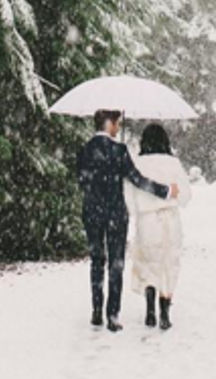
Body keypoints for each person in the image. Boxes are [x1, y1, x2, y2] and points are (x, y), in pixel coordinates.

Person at [76, 110, 180, 332]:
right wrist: (165, 191)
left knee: (97, 261)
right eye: (117, 123)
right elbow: (138, 180)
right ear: (108, 123)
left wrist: (96, 191)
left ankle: (96, 311)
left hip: (92, 212)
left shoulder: (85, 150)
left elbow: (81, 181)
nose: (118, 127)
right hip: (115, 214)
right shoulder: (119, 150)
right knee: (116, 264)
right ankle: (112, 316)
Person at [125, 123, 192, 330]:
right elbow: (185, 196)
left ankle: (150, 310)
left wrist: (137, 211)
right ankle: (165, 309)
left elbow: (128, 197)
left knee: (148, 263)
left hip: (147, 221)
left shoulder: (137, 164)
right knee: (169, 264)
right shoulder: (173, 164)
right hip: (170, 220)